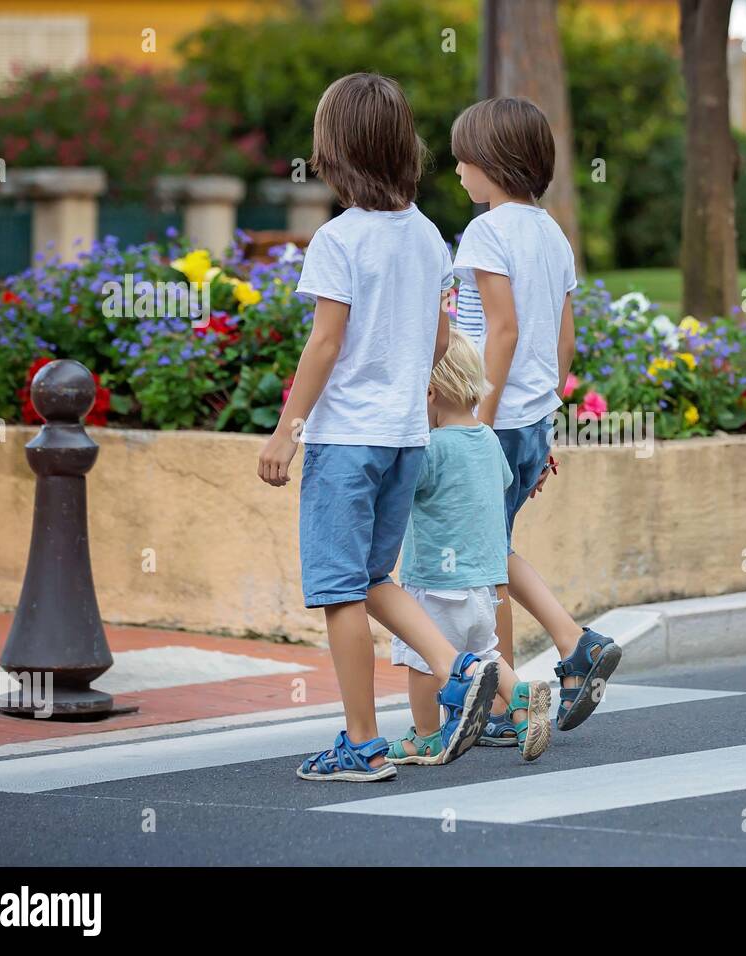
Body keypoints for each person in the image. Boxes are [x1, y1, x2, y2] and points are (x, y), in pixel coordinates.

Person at [258, 73, 497, 781]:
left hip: (344, 442)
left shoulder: (338, 239)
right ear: (404, 150)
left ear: (333, 154)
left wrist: (286, 432)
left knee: (338, 592)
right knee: (373, 577)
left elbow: (325, 343)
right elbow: (438, 341)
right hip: (404, 439)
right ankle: (458, 673)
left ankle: (361, 744)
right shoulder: (426, 237)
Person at [449, 96, 622, 740]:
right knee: (490, 554)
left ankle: (562, 651)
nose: (458, 170)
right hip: (529, 420)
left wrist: (477, 425)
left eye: (465, 158)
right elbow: (563, 339)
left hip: (490, 420)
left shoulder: (486, 233)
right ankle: (511, 692)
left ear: (492, 164)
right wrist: (542, 419)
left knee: (485, 554)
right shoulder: (551, 232)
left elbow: (503, 330)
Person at [386, 331, 552, 764]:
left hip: (436, 581)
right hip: (483, 587)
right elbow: (504, 482)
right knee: (485, 654)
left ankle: (425, 734)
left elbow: (402, 492)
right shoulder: (488, 439)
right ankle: (519, 696)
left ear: (430, 391)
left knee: (422, 659)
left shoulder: (431, 448)